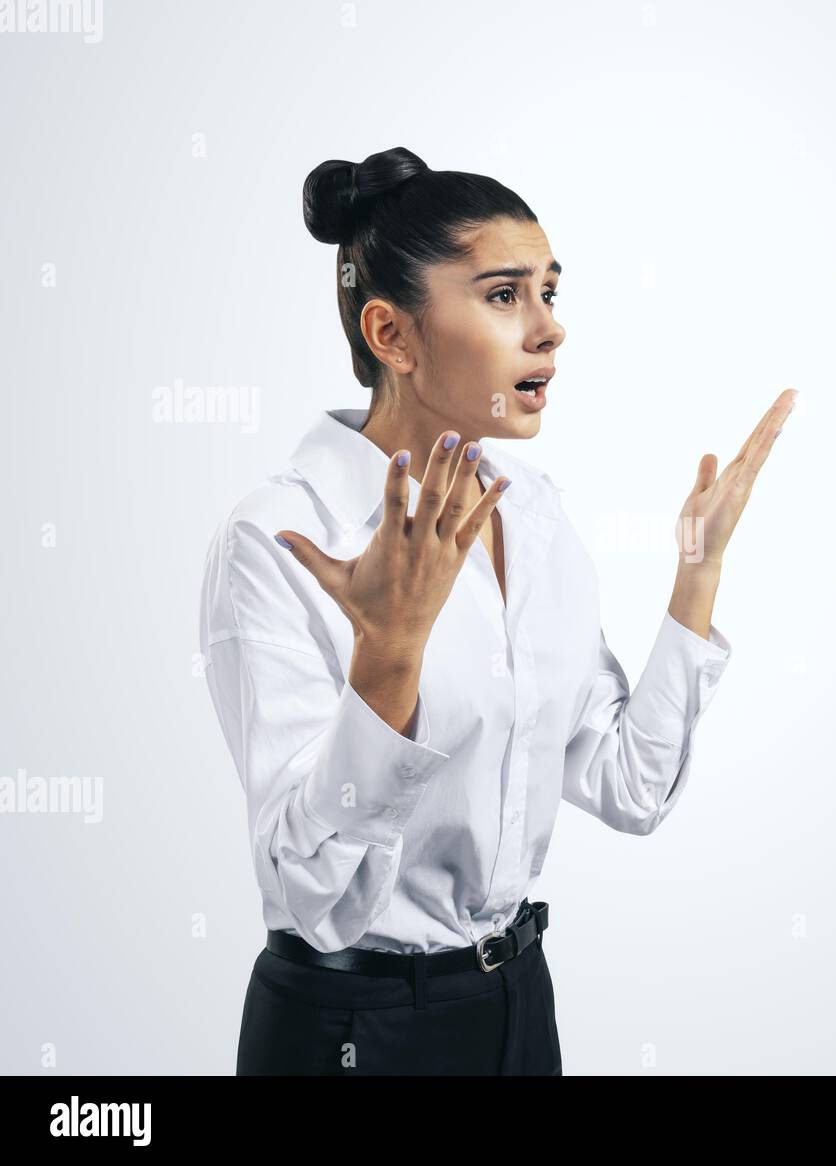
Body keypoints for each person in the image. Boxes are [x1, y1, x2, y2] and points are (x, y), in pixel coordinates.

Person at [198, 145, 796, 1075]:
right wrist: (388, 655)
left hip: (518, 1006)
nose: (549, 330)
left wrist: (696, 574)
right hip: (351, 1028)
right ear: (392, 336)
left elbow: (630, 788)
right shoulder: (280, 538)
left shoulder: (533, 510)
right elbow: (310, 892)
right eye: (505, 294)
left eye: (551, 293)